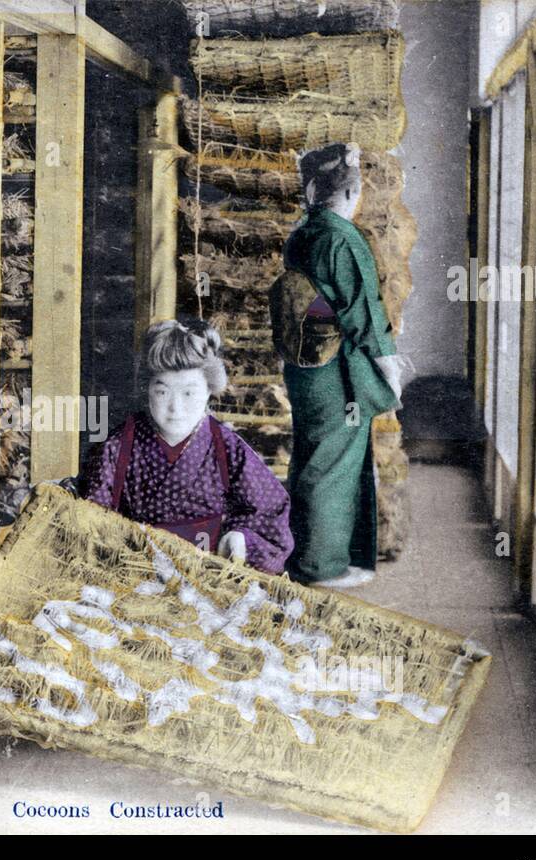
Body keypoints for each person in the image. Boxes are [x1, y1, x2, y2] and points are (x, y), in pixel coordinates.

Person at [281, 142, 408, 589]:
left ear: (312, 191)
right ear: (352, 193)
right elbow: (362, 313)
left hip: (306, 366)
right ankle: (319, 565)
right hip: (336, 371)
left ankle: (306, 553)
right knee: (331, 465)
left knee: (313, 458)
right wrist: (389, 367)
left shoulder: (303, 233)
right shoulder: (340, 236)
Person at [81, 318, 293, 576]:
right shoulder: (118, 446)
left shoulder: (228, 449)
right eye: (162, 392)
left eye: (189, 393)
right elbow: (92, 514)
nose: (175, 407)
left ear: (208, 391)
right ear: (147, 389)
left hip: (209, 576)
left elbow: (269, 512)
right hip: (134, 571)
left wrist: (240, 538)